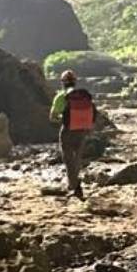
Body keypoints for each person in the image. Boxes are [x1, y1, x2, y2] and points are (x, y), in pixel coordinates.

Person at [49, 69, 96, 199]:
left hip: (68, 130)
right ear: (75, 82)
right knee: (77, 158)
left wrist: (62, 119)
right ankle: (75, 184)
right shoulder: (83, 95)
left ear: (62, 82)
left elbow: (52, 117)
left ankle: (75, 186)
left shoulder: (61, 96)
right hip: (82, 130)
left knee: (68, 159)